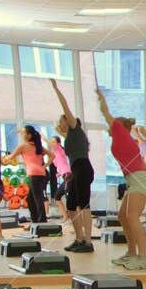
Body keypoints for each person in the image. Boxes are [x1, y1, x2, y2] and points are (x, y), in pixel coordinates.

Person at [94, 87, 146, 270]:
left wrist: (101, 99)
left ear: (117, 126)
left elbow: (106, 113)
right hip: (134, 179)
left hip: (140, 178)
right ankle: (132, 253)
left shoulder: (120, 132)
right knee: (123, 216)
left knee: (132, 216)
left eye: (111, 125)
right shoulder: (120, 138)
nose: (107, 127)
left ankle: (142, 257)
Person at [49, 80, 95, 253]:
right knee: (71, 205)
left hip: (82, 168)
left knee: (83, 205)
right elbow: (58, 129)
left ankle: (88, 242)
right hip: (75, 170)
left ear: (69, 121)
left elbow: (65, 106)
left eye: (62, 121)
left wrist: (56, 89)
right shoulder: (70, 136)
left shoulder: (75, 129)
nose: (60, 124)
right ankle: (79, 238)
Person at [4, 124, 49, 224]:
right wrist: (44, 166)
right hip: (41, 174)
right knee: (30, 199)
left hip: (34, 175)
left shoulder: (23, 146)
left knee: (37, 198)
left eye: (23, 133)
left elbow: (11, 157)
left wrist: (4, 158)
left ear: (29, 135)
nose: (22, 135)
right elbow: (52, 155)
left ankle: (41, 221)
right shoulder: (37, 146)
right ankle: (35, 221)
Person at [46, 134, 67, 219]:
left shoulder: (60, 150)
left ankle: (69, 217)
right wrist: (58, 174)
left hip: (68, 176)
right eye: (51, 142)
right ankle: (65, 216)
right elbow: (60, 165)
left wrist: (43, 137)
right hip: (64, 176)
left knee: (62, 196)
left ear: (59, 143)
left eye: (54, 142)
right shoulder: (54, 154)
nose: (52, 143)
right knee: (57, 197)